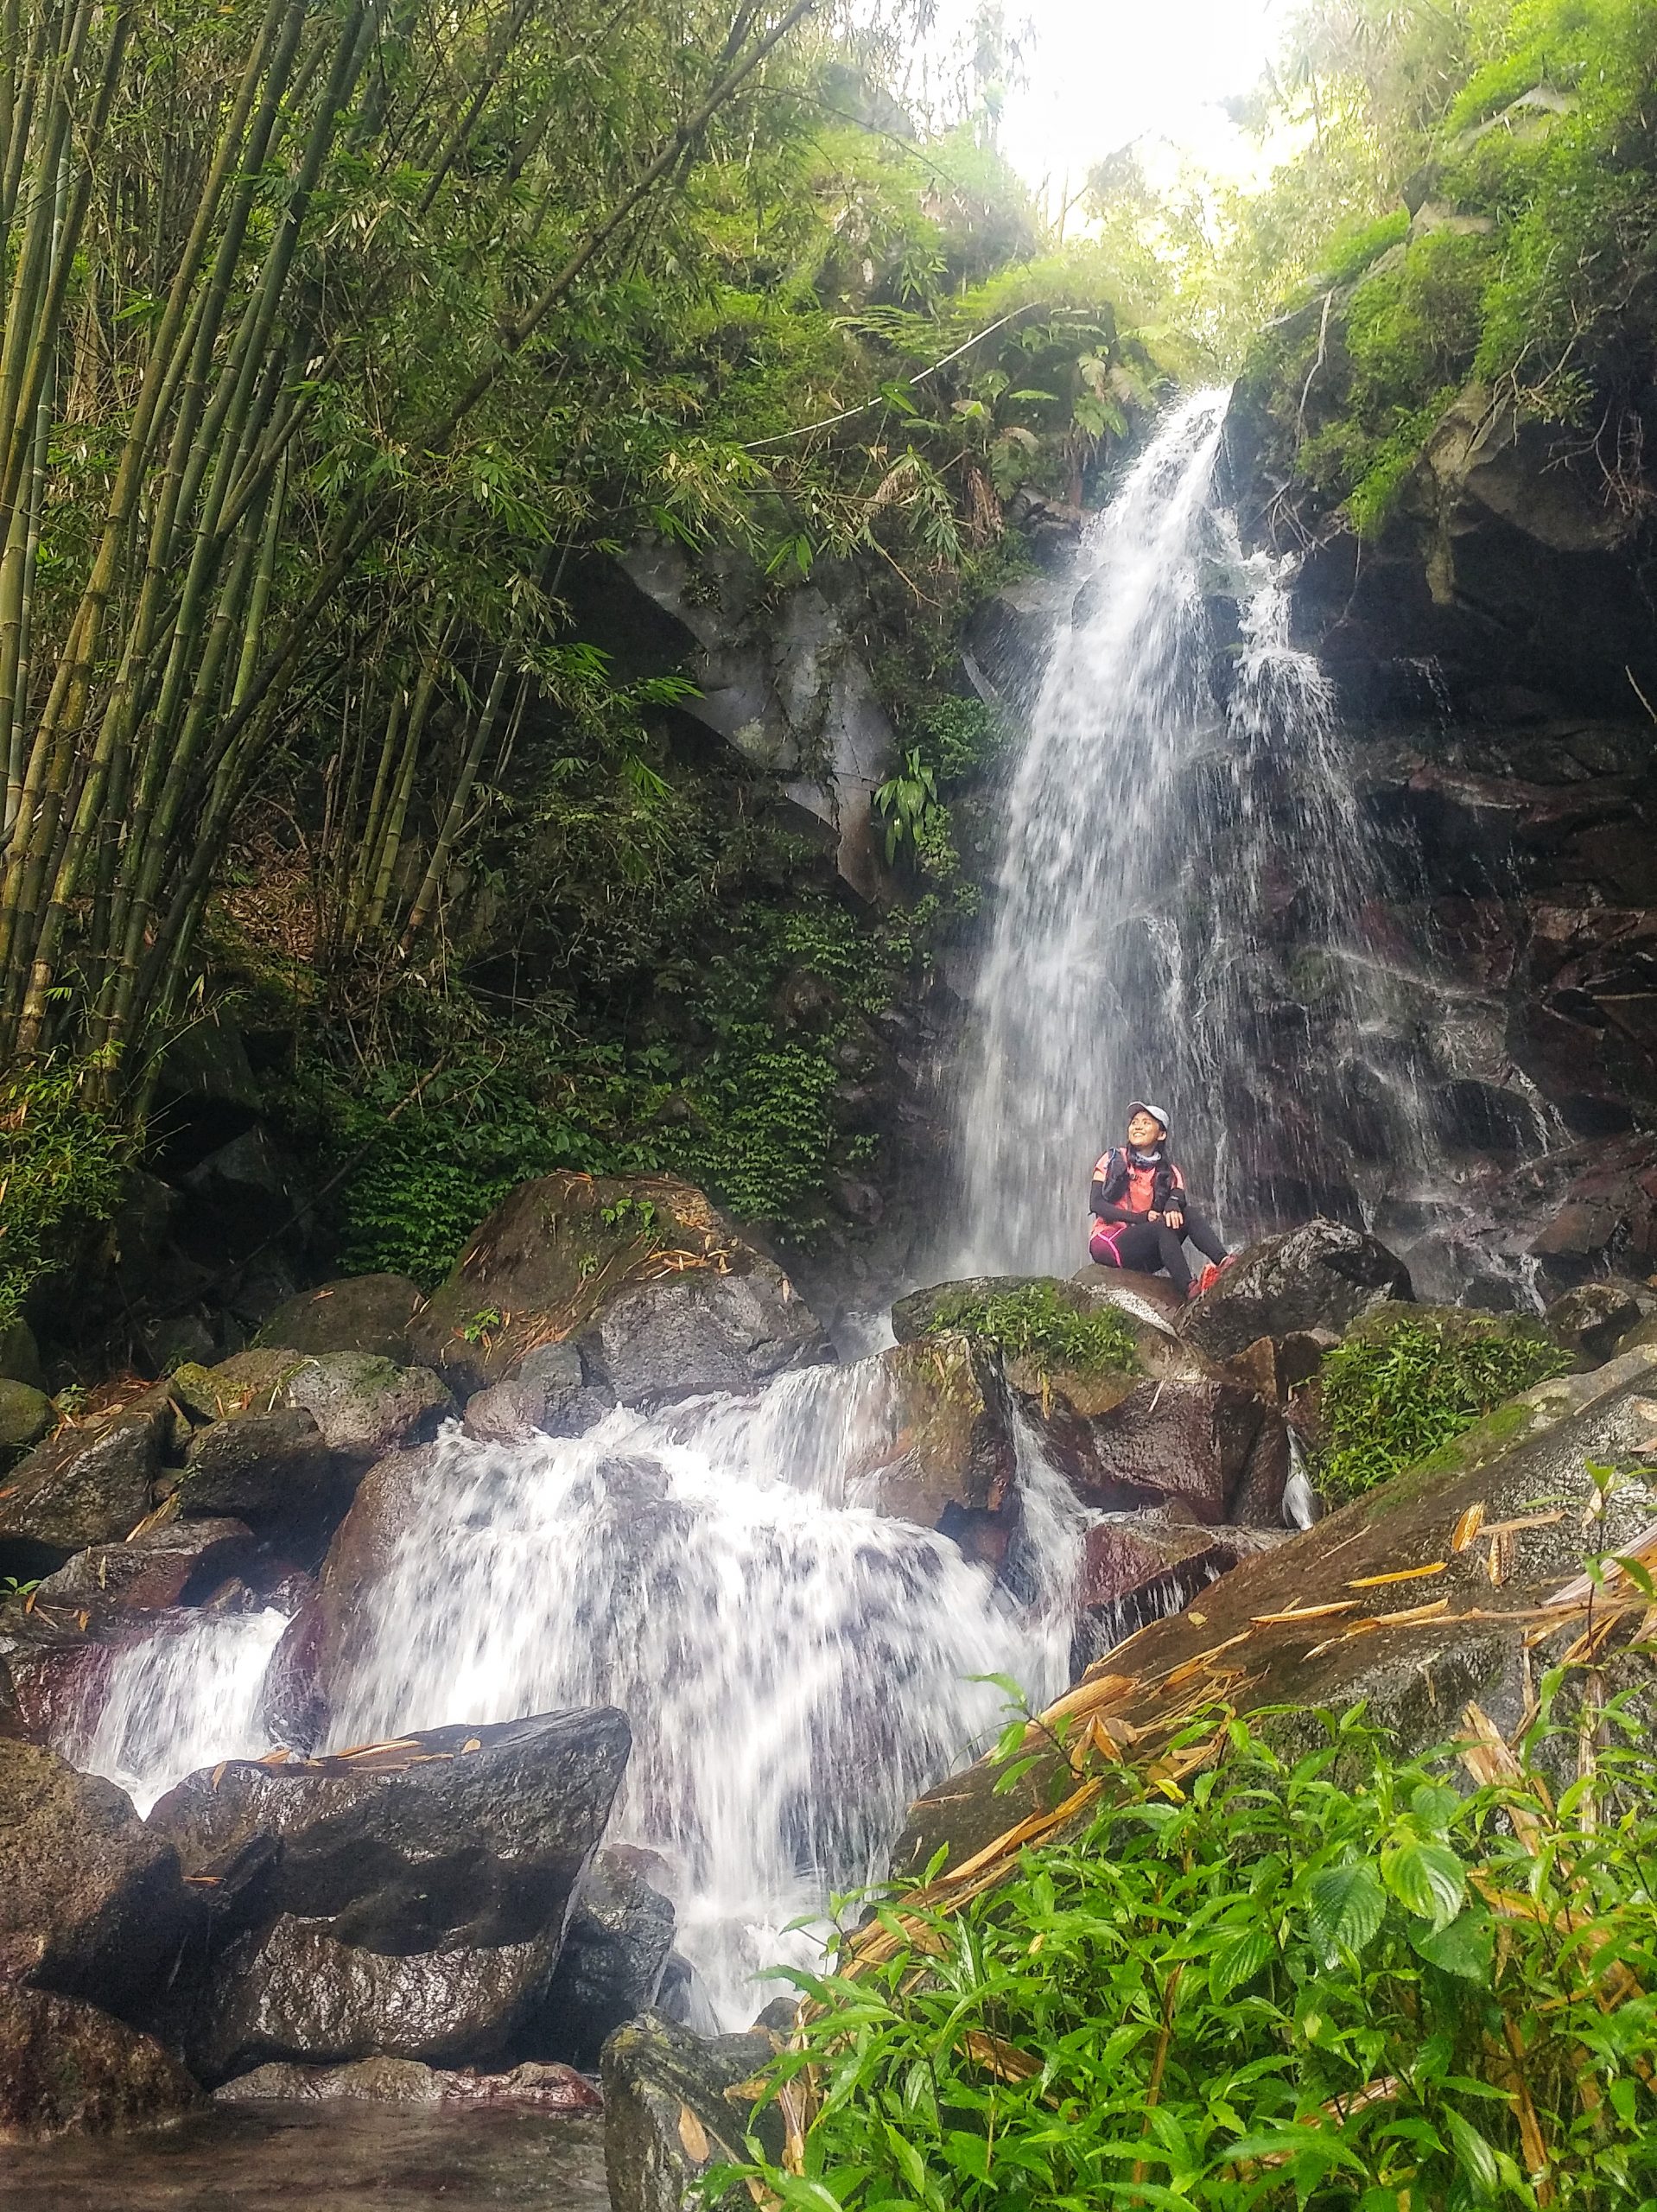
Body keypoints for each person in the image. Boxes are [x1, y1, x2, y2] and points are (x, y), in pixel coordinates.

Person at [1089, 1100, 1230, 1300]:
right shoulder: (1112, 1159)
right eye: (1134, 1122)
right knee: (1159, 1226)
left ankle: (1224, 1262)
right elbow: (1096, 1204)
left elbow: (1179, 1197)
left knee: (1187, 1214)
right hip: (1110, 1242)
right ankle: (1190, 1288)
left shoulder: (1169, 1172)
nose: (1137, 1126)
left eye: (1146, 1123)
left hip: (1148, 1253)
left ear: (1161, 1134)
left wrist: (1173, 1204)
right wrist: (1140, 1218)